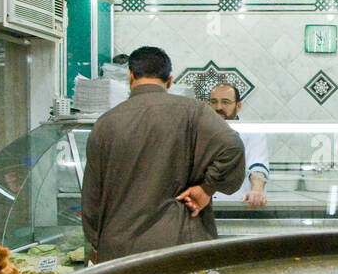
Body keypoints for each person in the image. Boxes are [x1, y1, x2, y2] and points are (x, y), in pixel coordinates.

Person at [81, 46, 244, 262]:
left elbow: (92, 199)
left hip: (120, 253)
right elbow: (232, 147)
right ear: (169, 81)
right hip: (179, 248)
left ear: (130, 77)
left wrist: (97, 243)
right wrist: (207, 188)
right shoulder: (194, 112)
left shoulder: (105, 123)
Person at [208, 83, 269, 209]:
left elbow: (257, 166)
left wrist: (257, 190)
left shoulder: (252, 132)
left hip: (238, 203)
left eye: (225, 102)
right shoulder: (200, 129)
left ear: (238, 105)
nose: (218, 107)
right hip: (203, 204)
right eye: (214, 102)